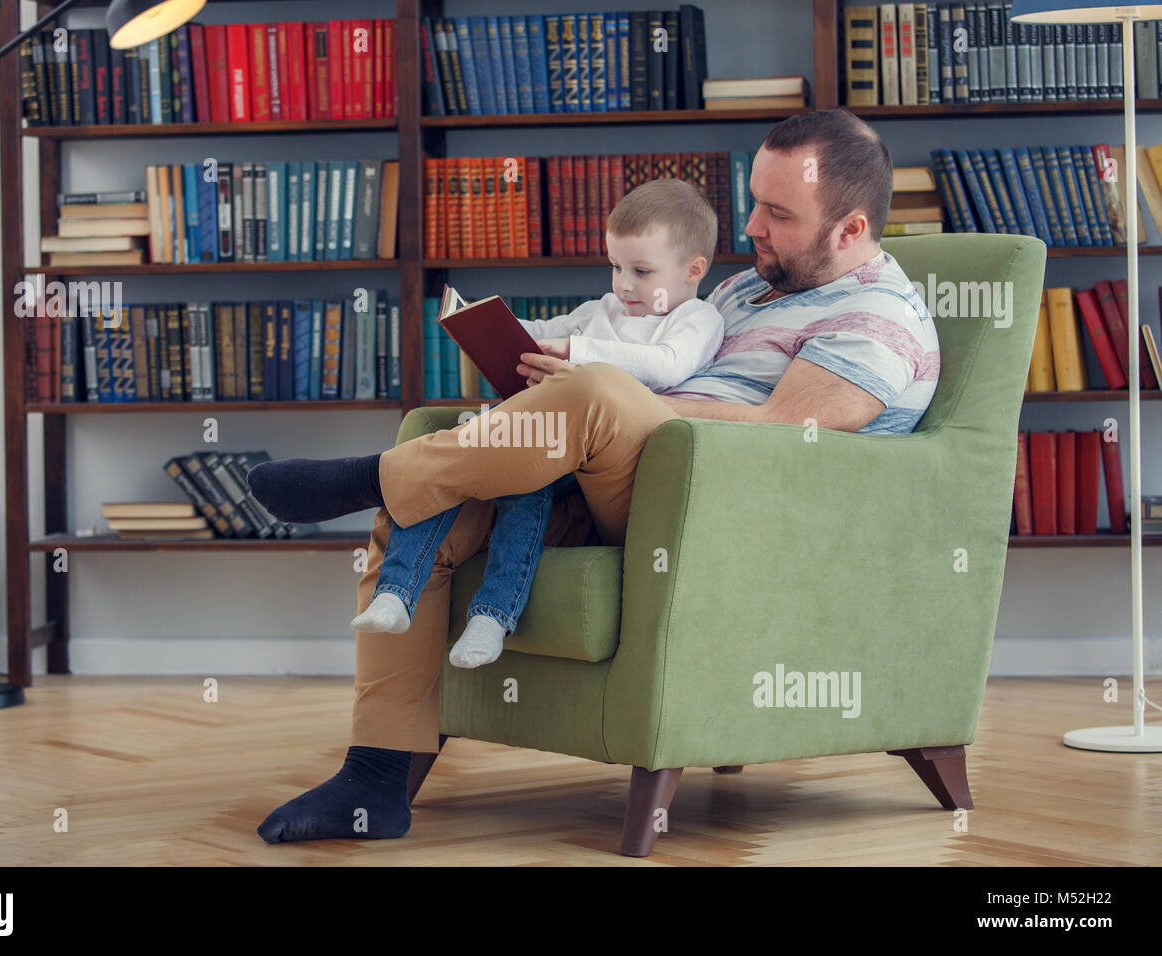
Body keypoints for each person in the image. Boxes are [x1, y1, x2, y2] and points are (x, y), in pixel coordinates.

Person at [245, 109, 940, 844]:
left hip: (715, 508)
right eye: (753, 203)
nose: (753, 228)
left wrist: (614, 395)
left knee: (598, 389)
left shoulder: (875, 321)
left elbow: (779, 438)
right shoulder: (754, 288)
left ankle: (365, 477)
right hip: (618, 472)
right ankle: (375, 781)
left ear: (852, 231)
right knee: (430, 514)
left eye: (777, 213)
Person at [351, 178, 724, 671]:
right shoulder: (601, 311)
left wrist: (578, 353)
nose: (624, 285)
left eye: (641, 271)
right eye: (615, 267)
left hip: (610, 459)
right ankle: (396, 593)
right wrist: (488, 327)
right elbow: (543, 333)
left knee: (525, 483)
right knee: (449, 468)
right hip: (551, 439)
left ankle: (492, 616)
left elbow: (667, 365)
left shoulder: (697, 318)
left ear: (692, 270)